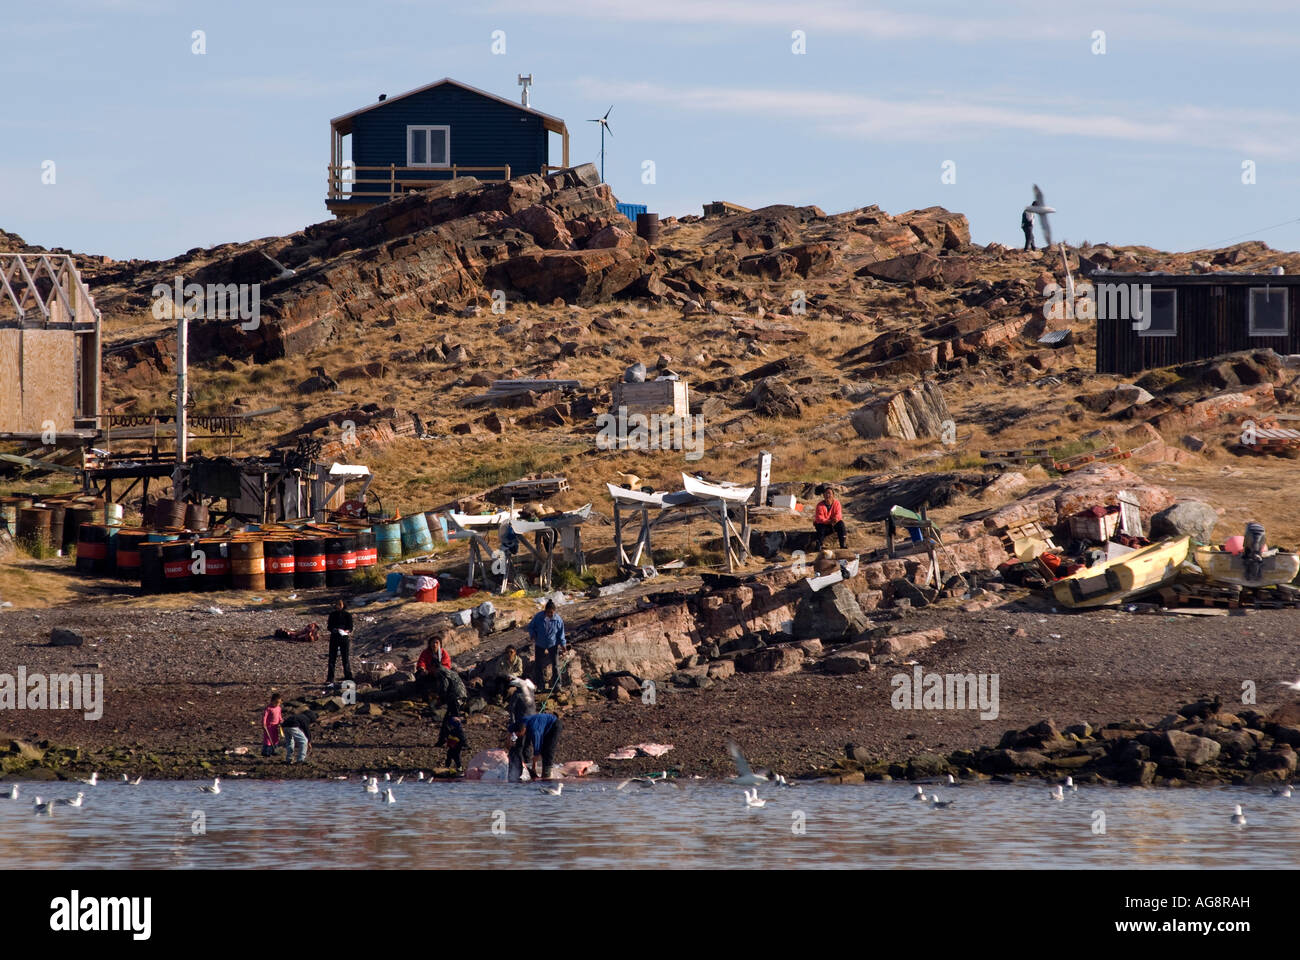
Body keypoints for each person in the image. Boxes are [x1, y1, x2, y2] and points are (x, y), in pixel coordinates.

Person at [508, 711, 562, 781]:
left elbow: (537, 753)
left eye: (520, 734)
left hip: (554, 724)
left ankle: (546, 774)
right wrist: (508, 742)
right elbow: (509, 730)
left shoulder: (535, 732)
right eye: (516, 734)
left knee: (547, 750)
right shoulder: (520, 722)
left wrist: (533, 768)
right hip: (541, 724)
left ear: (524, 730)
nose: (518, 736)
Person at [527, 600, 567, 690]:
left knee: (556, 665)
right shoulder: (538, 617)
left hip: (553, 644)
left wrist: (563, 644)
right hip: (540, 643)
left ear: (554, 611)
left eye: (552, 612)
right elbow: (530, 627)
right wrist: (532, 634)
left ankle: (557, 685)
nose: (550, 614)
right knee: (538, 665)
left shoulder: (558, 620)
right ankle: (540, 685)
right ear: (545, 611)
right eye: (548, 612)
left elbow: (561, 634)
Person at [325, 598, 354, 690]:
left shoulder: (347, 615)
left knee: (345, 658)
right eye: (337, 604)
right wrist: (333, 629)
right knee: (332, 659)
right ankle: (330, 678)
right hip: (334, 637)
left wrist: (346, 631)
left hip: (344, 637)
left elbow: (350, 627)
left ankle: (348, 677)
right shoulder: (332, 615)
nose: (338, 606)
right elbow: (329, 626)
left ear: (343, 605)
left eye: (340, 605)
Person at [813, 485, 847, 550]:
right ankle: (819, 545)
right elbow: (819, 518)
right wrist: (829, 521)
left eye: (829, 493)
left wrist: (836, 519)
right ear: (823, 495)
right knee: (821, 527)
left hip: (833, 524)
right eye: (826, 493)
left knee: (841, 524)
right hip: (823, 525)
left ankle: (843, 544)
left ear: (833, 495)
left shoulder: (837, 503)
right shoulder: (819, 505)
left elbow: (839, 514)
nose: (827, 495)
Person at [436, 707, 470, 771]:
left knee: (455, 756)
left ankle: (458, 768)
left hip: (457, 744)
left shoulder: (456, 727)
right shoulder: (452, 724)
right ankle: (447, 767)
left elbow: (462, 737)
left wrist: (465, 745)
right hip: (453, 743)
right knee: (449, 755)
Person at [261, 692, 283, 757]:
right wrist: (263, 724)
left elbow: (279, 716)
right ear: (272, 701)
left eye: (279, 702)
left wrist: (281, 721)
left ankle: (274, 750)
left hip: (275, 726)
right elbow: (265, 717)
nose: (277, 704)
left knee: (275, 738)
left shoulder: (279, 708)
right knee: (268, 739)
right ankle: (266, 752)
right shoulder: (268, 708)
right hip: (269, 726)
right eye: (276, 702)